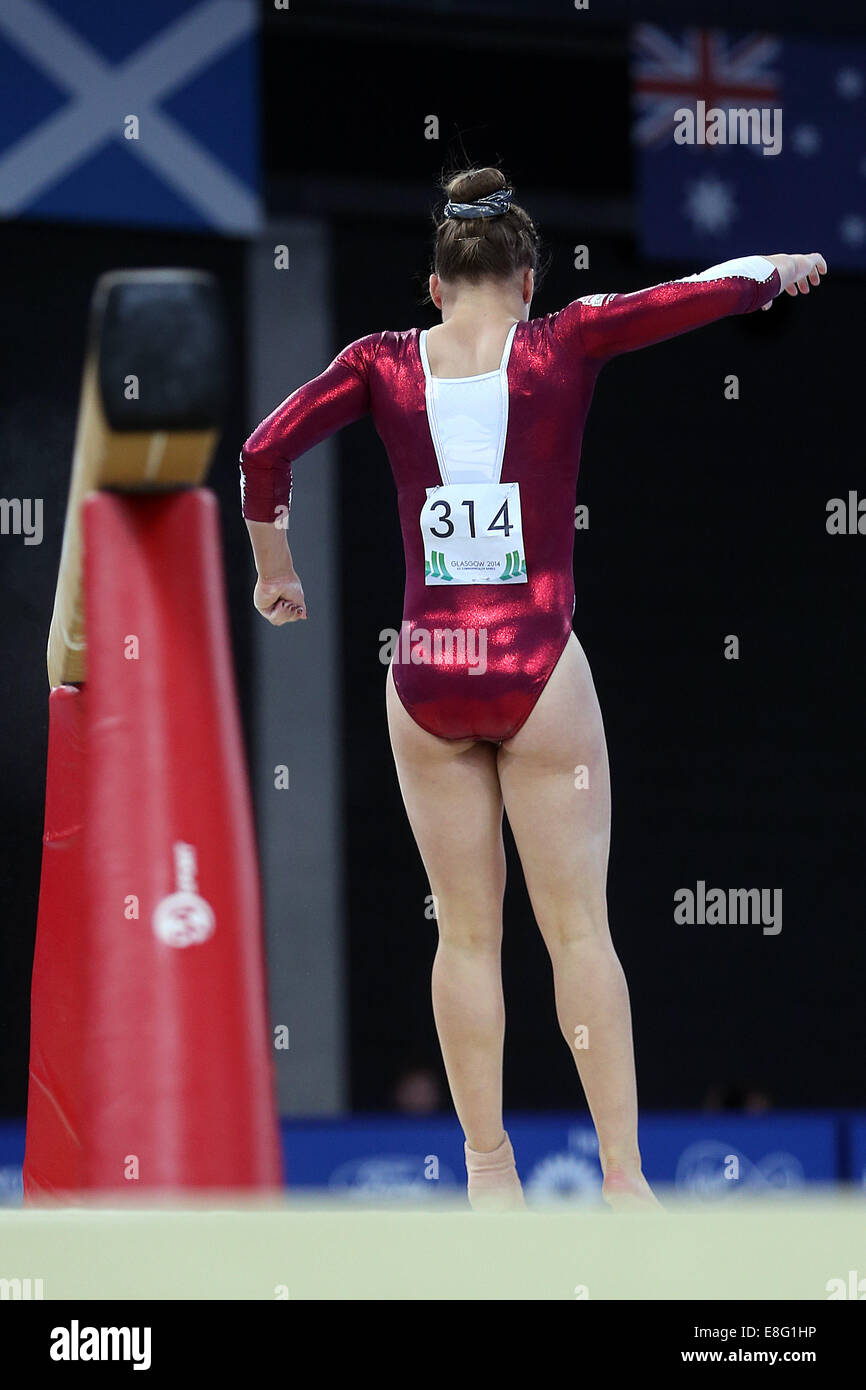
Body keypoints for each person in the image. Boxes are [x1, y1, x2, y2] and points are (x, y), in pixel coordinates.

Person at [240, 166, 826, 1212]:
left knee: (464, 934)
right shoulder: (564, 340)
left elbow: (262, 448)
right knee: (577, 933)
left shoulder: (379, 363)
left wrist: (273, 568)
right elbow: (690, 294)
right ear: (524, 277)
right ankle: (622, 1176)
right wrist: (773, 274)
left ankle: (485, 1168)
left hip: (424, 672)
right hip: (535, 664)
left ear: (433, 285)